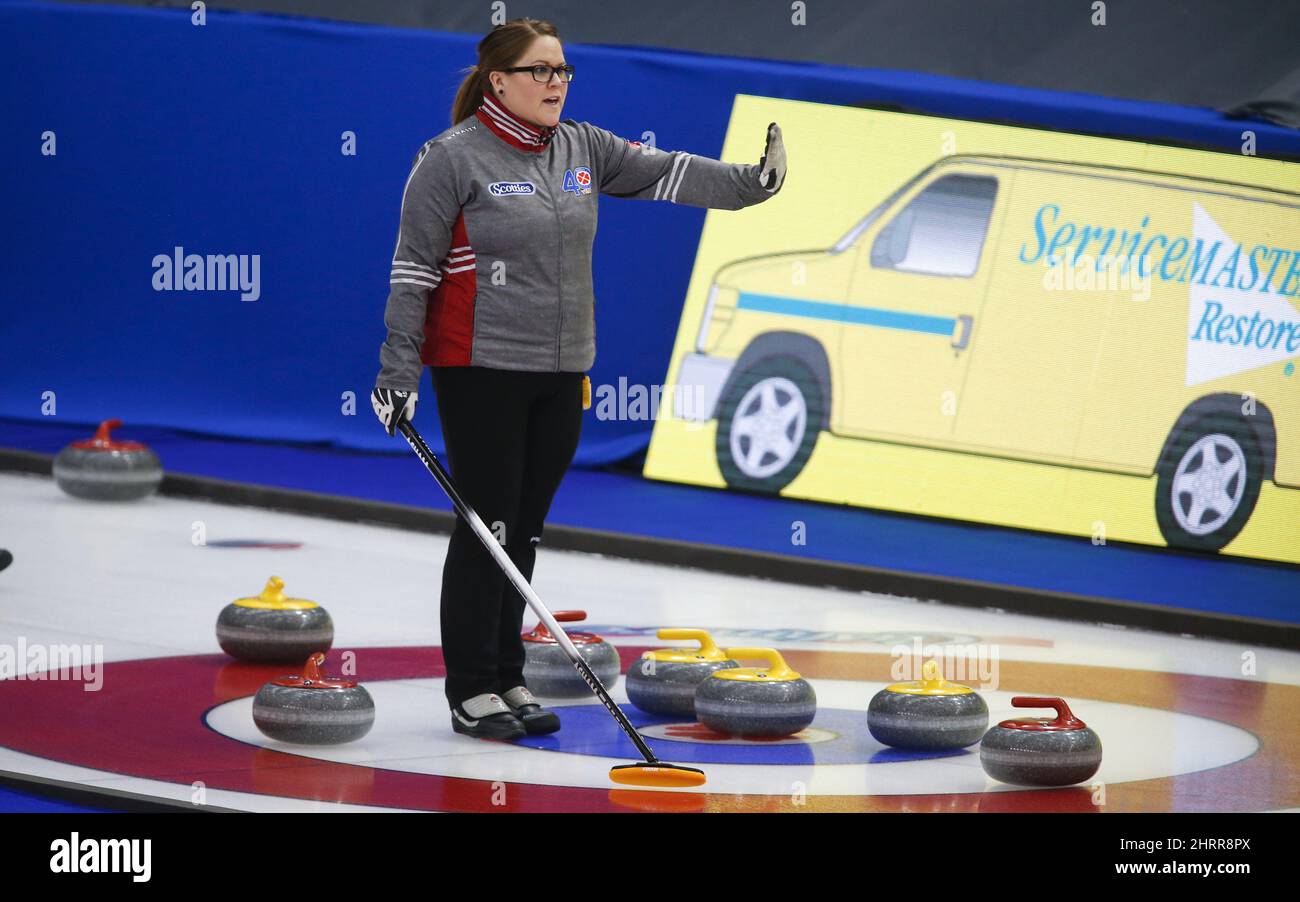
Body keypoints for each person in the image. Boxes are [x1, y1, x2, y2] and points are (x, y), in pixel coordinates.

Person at [371, 17, 786, 740]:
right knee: (487, 528)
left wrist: (752, 185)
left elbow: (669, 172)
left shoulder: (583, 148)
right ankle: (471, 687)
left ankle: (506, 676)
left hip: (564, 370)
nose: (556, 84)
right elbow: (413, 270)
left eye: (563, 71)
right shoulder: (451, 158)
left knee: (523, 529)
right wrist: (396, 369)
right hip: (481, 367)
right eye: (541, 71)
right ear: (499, 80)